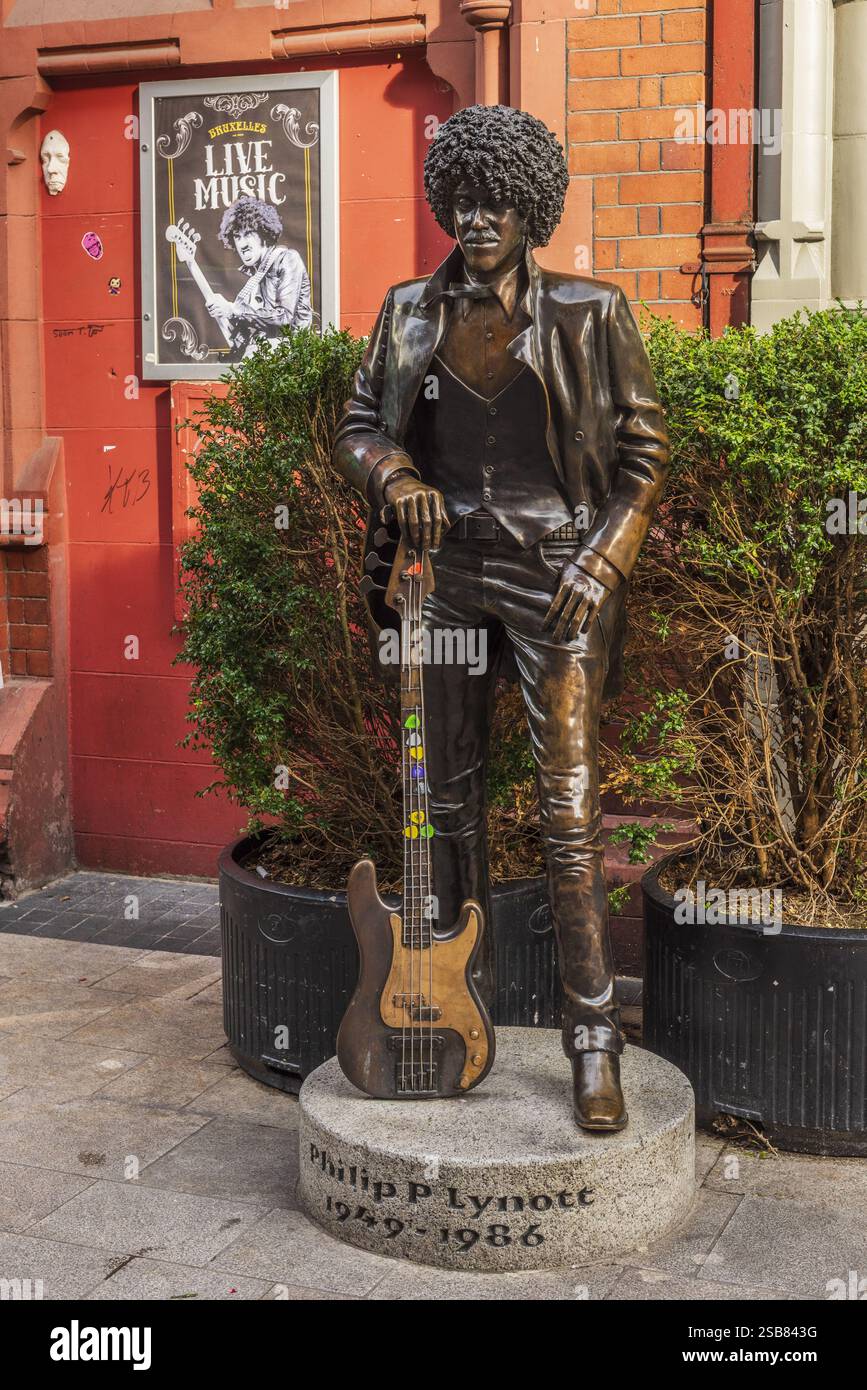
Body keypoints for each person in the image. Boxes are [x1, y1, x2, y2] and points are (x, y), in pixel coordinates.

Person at [332, 105, 670, 1131]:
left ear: (532, 210)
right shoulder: (408, 310)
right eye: (464, 202)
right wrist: (393, 476)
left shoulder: (590, 312)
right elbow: (359, 425)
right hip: (442, 575)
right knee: (443, 799)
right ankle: (450, 1002)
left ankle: (593, 1038)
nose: (478, 220)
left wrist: (603, 559)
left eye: (499, 203)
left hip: (553, 574)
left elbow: (643, 456)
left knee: (568, 811)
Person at [205, 195, 312, 353]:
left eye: (248, 233)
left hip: (292, 357)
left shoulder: (287, 258)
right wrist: (224, 311)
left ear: (264, 232)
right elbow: (255, 322)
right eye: (237, 236)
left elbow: (284, 317)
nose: (242, 244)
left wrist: (233, 310)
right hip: (265, 356)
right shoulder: (255, 275)